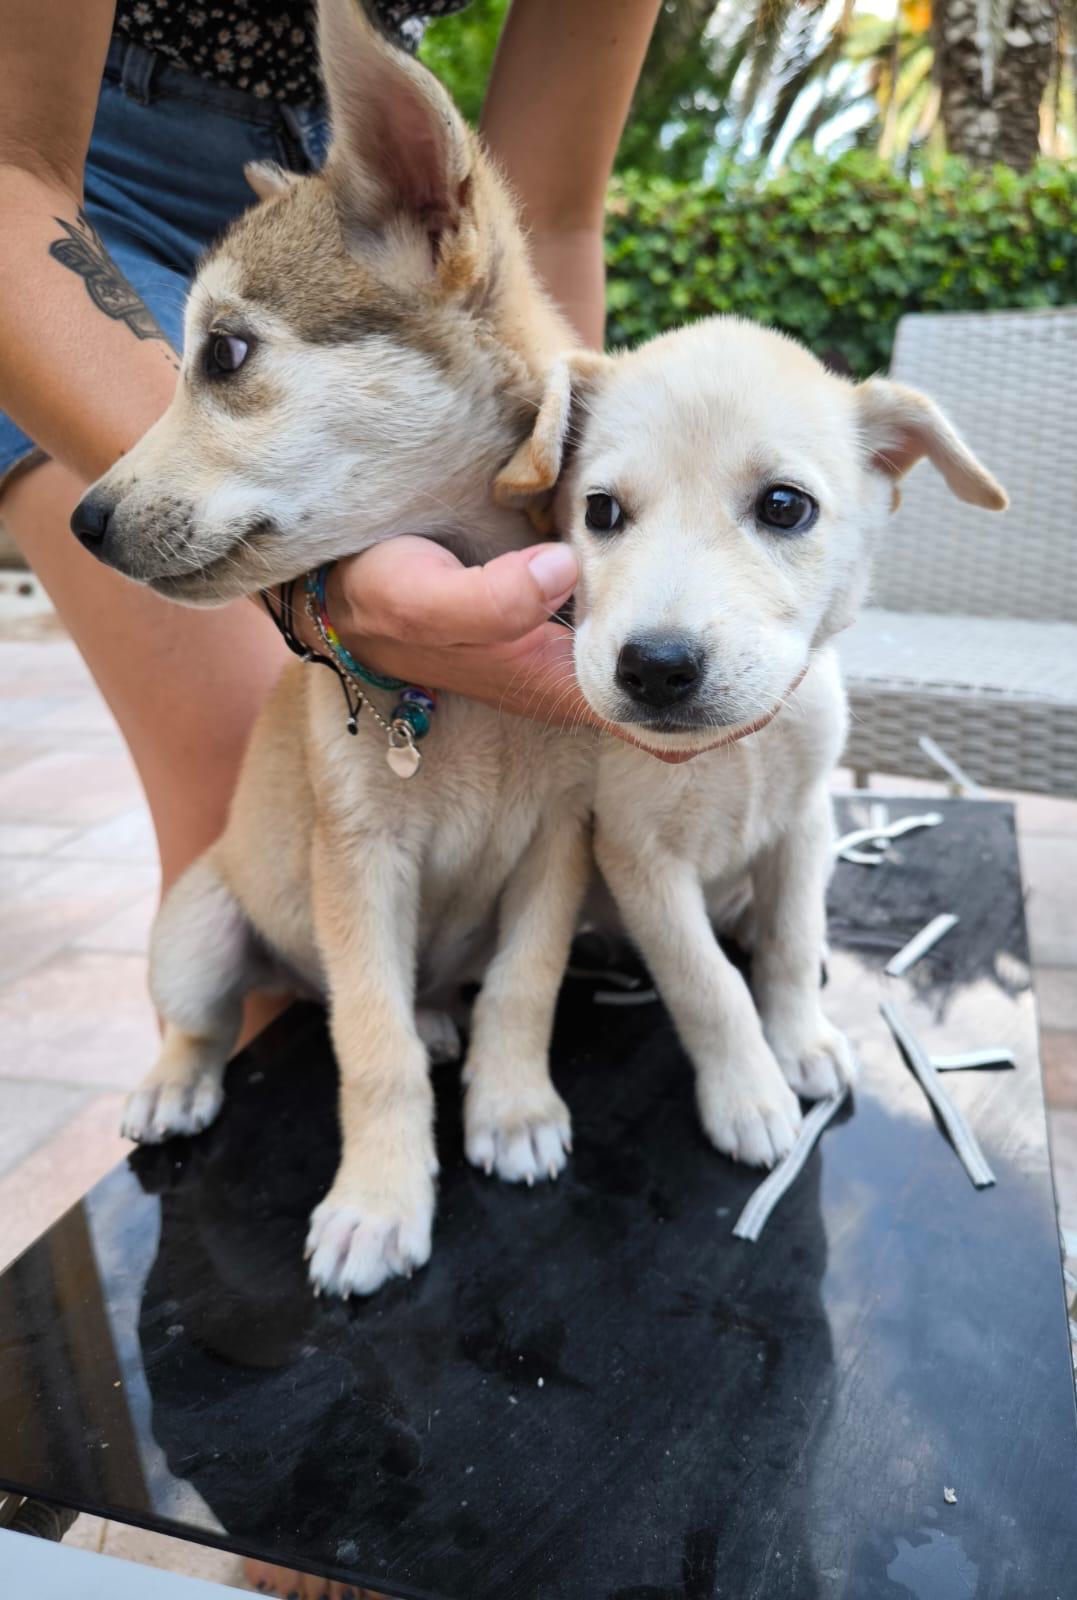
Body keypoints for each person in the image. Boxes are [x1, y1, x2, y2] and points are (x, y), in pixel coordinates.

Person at [1, 4, 661, 1595]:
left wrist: (572, 498)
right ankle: (248, 1513)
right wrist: (331, 589)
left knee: (488, 781)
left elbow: (545, 217)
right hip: (78, 181)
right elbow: (9, 153)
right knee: (257, 808)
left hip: (363, 217)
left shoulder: (430, 209)